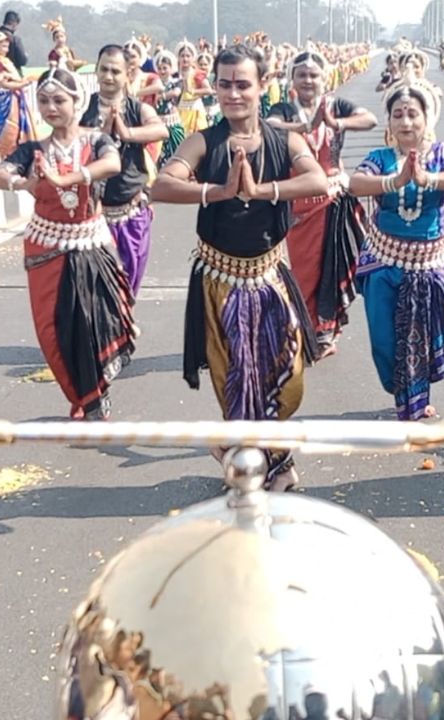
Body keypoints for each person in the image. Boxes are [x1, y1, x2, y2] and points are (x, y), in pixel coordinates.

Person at [150, 44, 328, 491]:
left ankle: (242, 449)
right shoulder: (203, 142)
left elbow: (317, 181)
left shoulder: (284, 140)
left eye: (243, 84)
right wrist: (218, 192)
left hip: (269, 278)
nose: (233, 94)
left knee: (289, 382)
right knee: (235, 381)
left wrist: (263, 189)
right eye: (225, 84)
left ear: (262, 87)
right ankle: (270, 466)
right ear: (215, 86)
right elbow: (162, 185)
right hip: (219, 282)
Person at [0, 69, 137, 421]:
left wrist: (68, 177)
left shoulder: (96, 141)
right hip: (47, 247)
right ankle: (82, 395)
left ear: (76, 101)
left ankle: (96, 395)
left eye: (59, 100)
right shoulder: (32, 150)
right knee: (54, 329)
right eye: (43, 101)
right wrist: (24, 184)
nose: (51, 107)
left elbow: (112, 164)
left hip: (90, 243)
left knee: (97, 322)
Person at [347, 79, 444, 421]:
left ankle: (415, 400)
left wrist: (428, 180)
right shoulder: (379, 158)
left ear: (427, 118)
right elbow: (356, 184)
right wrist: (395, 181)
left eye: (413, 114)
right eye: (398, 114)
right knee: (385, 342)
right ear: (389, 121)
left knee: (421, 336)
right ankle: (403, 391)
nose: (406, 122)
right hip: (383, 260)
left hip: (429, 264)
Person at [266, 50, 378, 359]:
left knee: (329, 267)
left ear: (324, 78)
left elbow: (370, 119)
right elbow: (269, 125)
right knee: (301, 270)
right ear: (292, 79)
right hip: (296, 201)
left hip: (331, 198)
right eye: (301, 74)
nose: (308, 80)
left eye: (314, 75)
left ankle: (325, 331)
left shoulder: (335, 105)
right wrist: (301, 129)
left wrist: (334, 122)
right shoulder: (285, 109)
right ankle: (301, 326)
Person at [80, 45, 170, 296]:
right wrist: (98, 135)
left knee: (127, 287)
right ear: (96, 71)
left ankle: (122, 328)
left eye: (115, 71)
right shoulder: (82, 110)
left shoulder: (136, 109)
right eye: (104, 70)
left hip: (131, 212)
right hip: (93, 214)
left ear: (127, 74)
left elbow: (161, 130)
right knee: (96, 287)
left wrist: (127, 133)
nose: (109, 77)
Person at [0, 21, 37, 158]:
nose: (6, 49)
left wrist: (21, 84)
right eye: (3, 46)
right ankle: (8, 155)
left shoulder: (5, 60)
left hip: (15, 95)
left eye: (7, 46)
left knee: (19, 126)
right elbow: (3, 83)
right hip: (5, 98)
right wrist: (22, 84)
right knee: (8, 128)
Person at [0, 10, 28, 76]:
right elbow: (22, 61)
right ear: (14, 24)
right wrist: (26, 56)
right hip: (14, 76)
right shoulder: (15, 39)